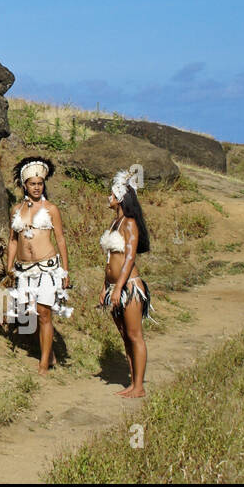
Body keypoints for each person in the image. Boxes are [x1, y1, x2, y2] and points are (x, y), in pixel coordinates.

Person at [6, 156, 72, 374]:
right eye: (33, 183)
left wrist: (65, 270)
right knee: (27, 312)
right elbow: (13, 240)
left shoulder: (51, 209)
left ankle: (44, 362)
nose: (36, 187)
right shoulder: (16, 210)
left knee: (44, 313)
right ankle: (49, 353)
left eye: (40, 183)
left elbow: (60, 239)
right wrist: (9, 266)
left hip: (47, 267)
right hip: (24, 269)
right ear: (25, 185)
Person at [98, 168, 152, 397]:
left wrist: (119, 287)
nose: (108, 198)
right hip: (114, 287)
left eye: (111, 194)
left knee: (134, 334)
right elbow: (110, 259)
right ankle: (132, 382)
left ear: (120, 197)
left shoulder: (129, 223)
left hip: (129, 286)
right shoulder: (115, 224)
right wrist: (105, 288)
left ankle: (138, 386)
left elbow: (130, 257)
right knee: (124, 335)